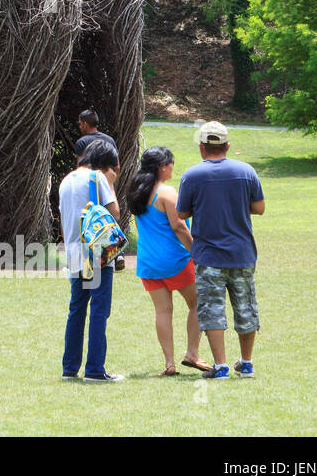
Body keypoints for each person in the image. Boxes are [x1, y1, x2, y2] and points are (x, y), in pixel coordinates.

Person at [175, 121, 265, 380]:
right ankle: (246, 363)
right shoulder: (246, 172)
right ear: (227, 146)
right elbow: (259, 208)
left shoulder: (192, 176)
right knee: (245, 307)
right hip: (243, 254)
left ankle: (221, 365)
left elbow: (182, 213)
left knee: (212, 309)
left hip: (209, 256)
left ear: (202, 148)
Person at [126, 146, 210, 375]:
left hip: (148, 262)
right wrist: (196, 250)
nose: (173, 166)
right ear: (163, 167)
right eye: (171, 163)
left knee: (163, 311)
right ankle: (192, 353)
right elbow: (179, 226)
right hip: (175, 260)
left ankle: (169, 364)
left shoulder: (137, 191)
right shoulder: (166, 193)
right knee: (198, 303)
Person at [58, 138, 123, 382]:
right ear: (105, 165)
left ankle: (69, 367)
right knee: (99, 310)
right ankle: (95, 369)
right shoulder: (97, 179)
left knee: (76, 310)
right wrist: (112, 184)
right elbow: (114, 212)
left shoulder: (66, 181)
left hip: (75, 253)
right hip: (97, 255)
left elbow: (65, 220)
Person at [74, 109, 124, 271]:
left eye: (80, 123)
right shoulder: (109, 140)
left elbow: (80, 167)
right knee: (109, 216)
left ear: (86, 124)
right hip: (107, 182)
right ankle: (117, 253)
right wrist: (111, 180)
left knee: (91, 220)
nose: (79, 126)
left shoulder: (82, 142)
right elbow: (116, 165)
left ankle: (91, 254)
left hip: (90, 186)